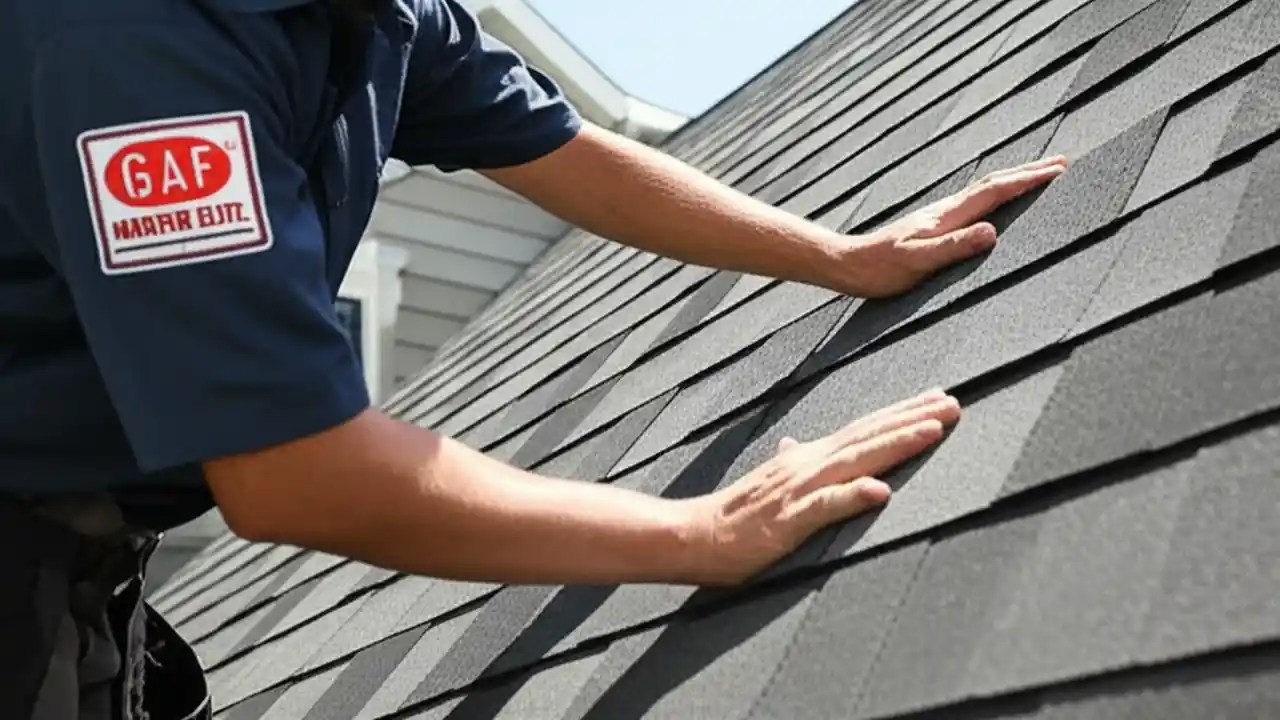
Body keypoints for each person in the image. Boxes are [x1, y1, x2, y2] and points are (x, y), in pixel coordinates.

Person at [0, 0, 1067, 717]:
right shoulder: (136, 49)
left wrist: (841, 256)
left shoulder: (373, 13)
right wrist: (702, 531)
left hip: (80, 561)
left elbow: (563, 154)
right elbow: (297, 478)